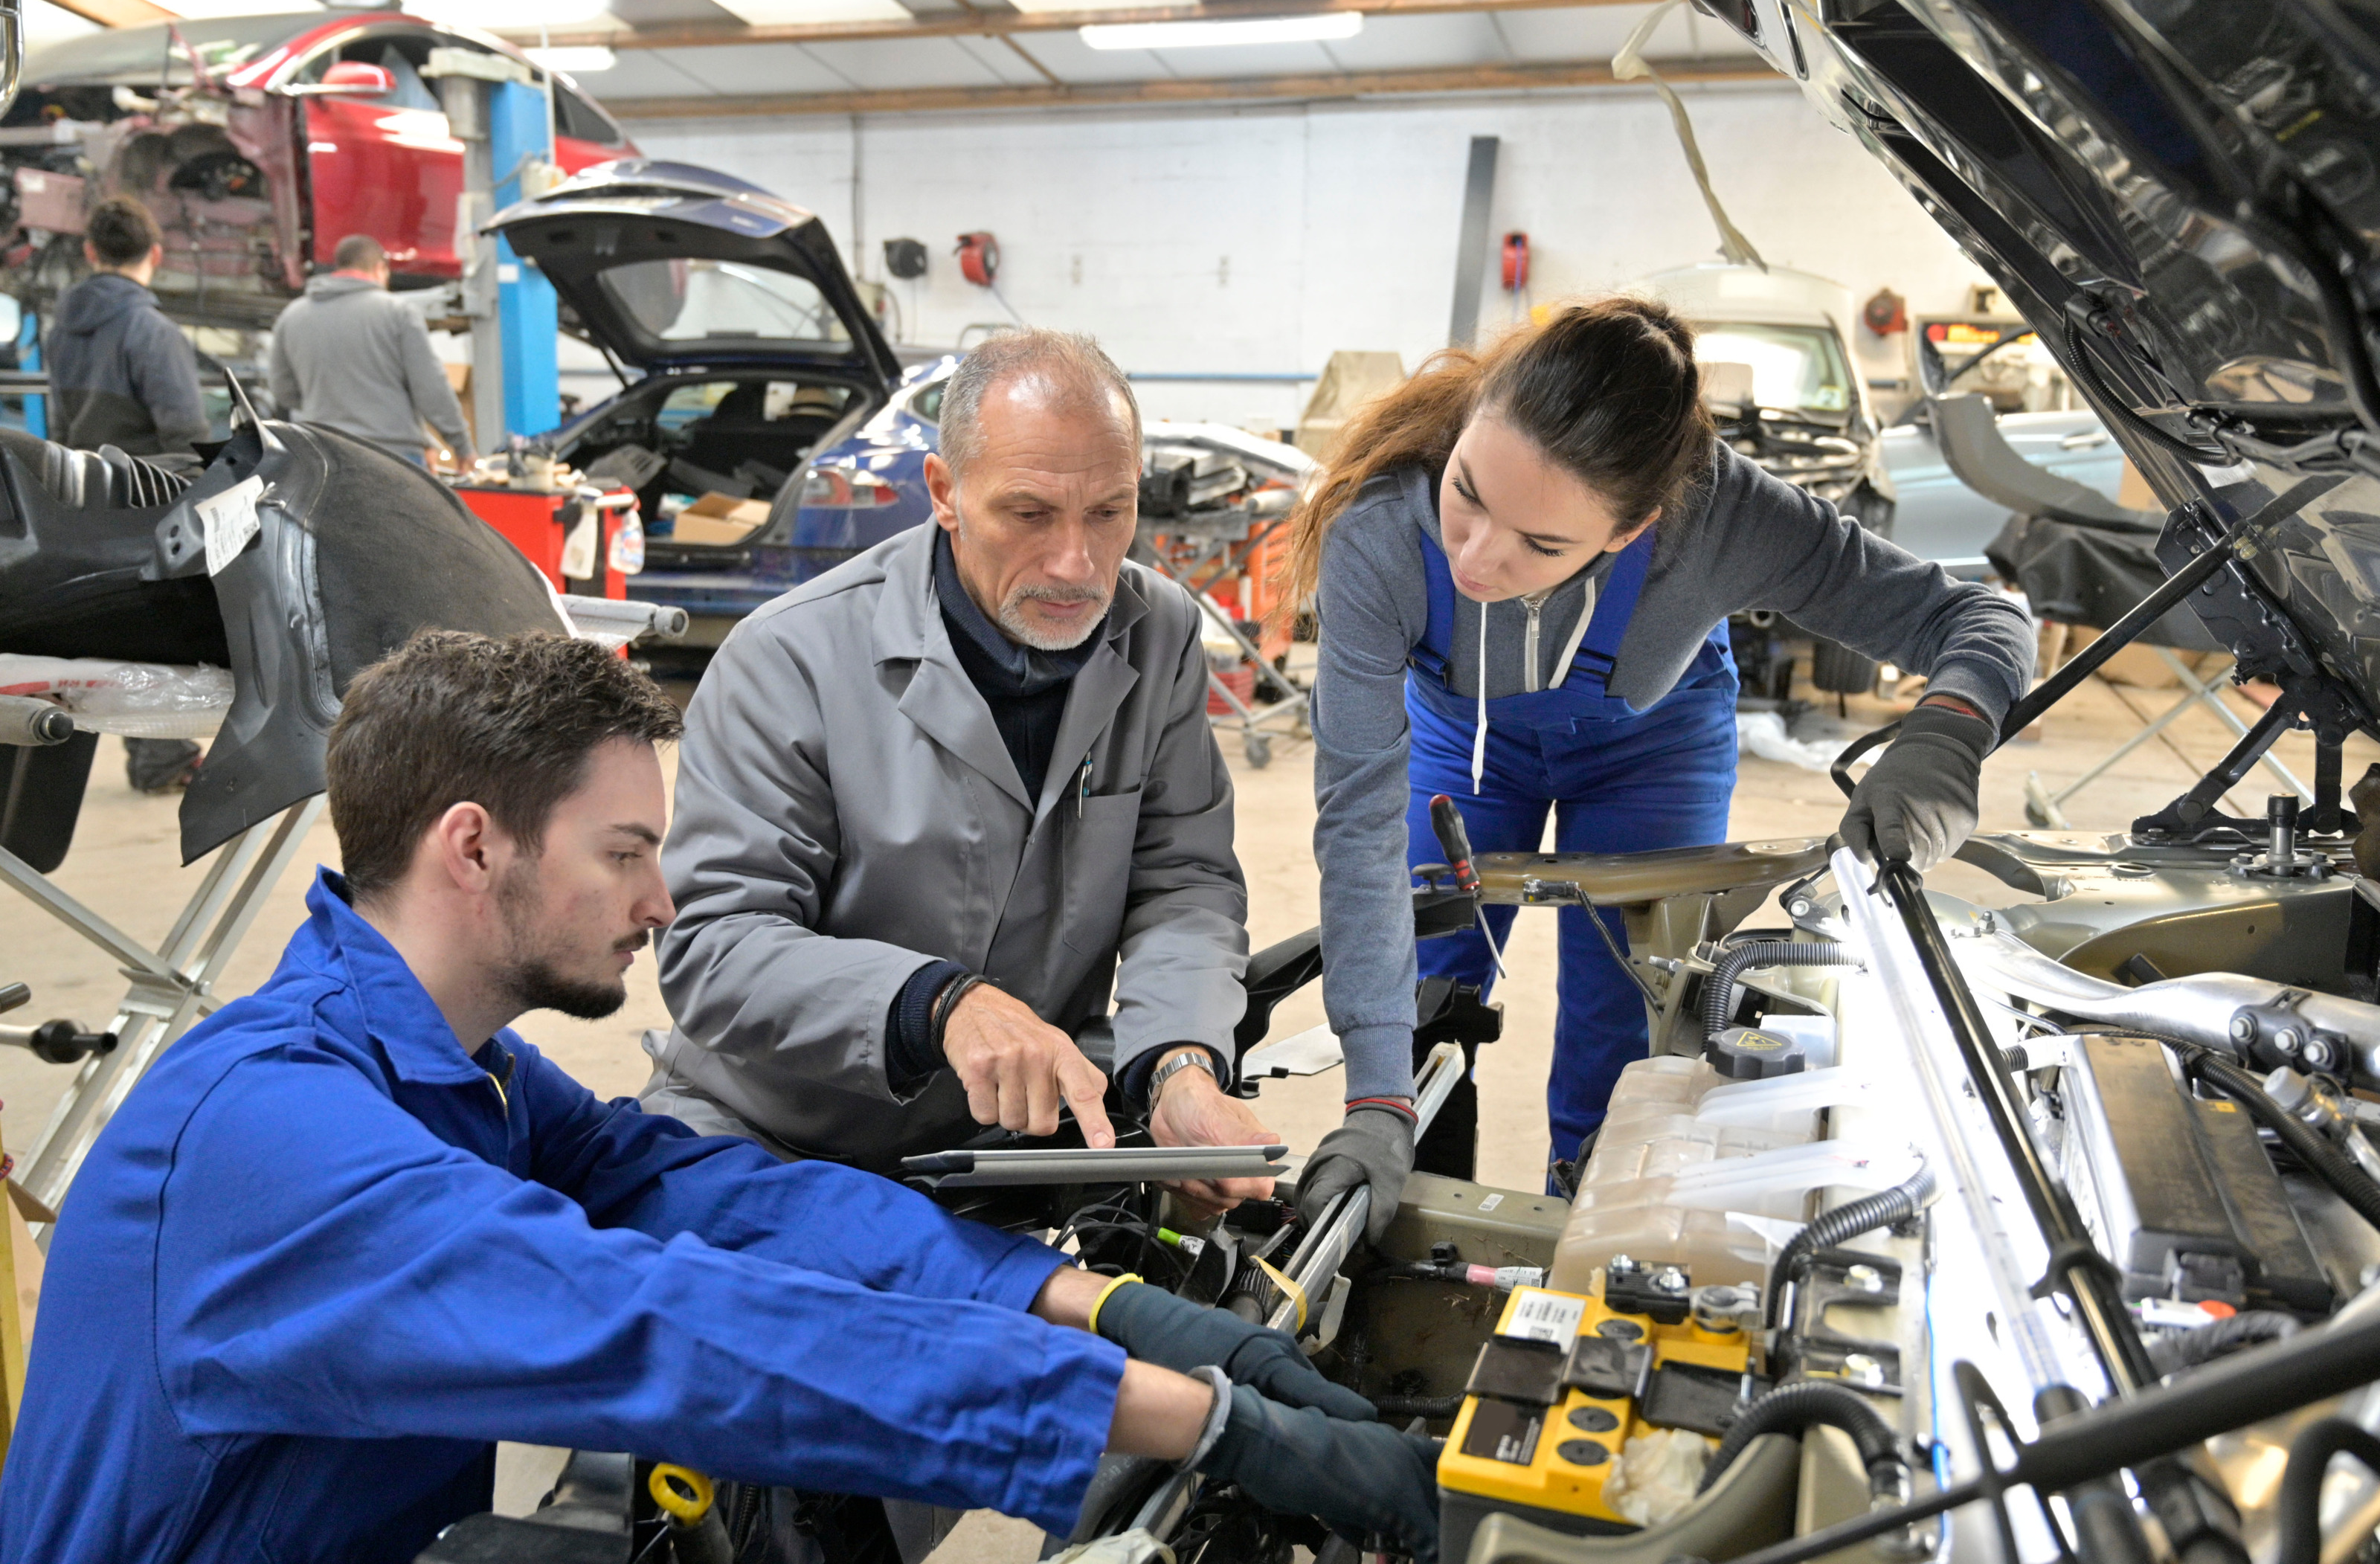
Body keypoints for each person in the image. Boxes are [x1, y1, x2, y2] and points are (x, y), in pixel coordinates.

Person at [0, 628, 1439, 1564]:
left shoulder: (455, 1071)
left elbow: (705, 1189)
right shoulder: (276, 1135)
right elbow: (660, 1323)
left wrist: (1093, 1307)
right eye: (624, 850)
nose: (663, 896)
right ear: (473, 845)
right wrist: (1190, 1420)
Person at [1290, 298, 2035, 1209]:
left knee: (1627, 1021)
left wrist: (1948, 730)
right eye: (1467, 495)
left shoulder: (1722, 519)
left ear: (1633, 526)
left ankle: (1587, 1226)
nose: (1476, 562)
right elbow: (1357, 828)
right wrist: (1373, 1093)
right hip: (1463, 741)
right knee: (1421, 993)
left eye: (1541, 542)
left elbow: (1976, 614)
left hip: (1649, 748)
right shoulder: (1376, 534)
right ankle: (1416, 1214)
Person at [648, 330, 1281, 1216]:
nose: (1077, 563)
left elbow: (1182, 881)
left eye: (1109, 512)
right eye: (1029, 514)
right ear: (945, 494)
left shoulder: (1160, 631)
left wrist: (1176, 1062)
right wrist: (933, 1004)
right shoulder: (787, 658)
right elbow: (713, 943)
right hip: (773, 1145)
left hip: (1010, 1157)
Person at [47, 193, 211, 793]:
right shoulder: (151, 328)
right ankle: (161, 757)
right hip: (150, 496)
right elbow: (186, 431)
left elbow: (62, 426)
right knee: (163, 631)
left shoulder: (59, 329)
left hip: (88, 492)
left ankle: (153, 753)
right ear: (157, 254)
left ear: (91, 252)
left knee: (117, 632)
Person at [267, 233, 472, 469]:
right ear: (379, 268)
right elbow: (430, 387)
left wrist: (328, 410)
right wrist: (462, 446)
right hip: (392, 456)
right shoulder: (397, 312)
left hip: (324, 456)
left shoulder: (292, 316)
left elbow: (282, 389)